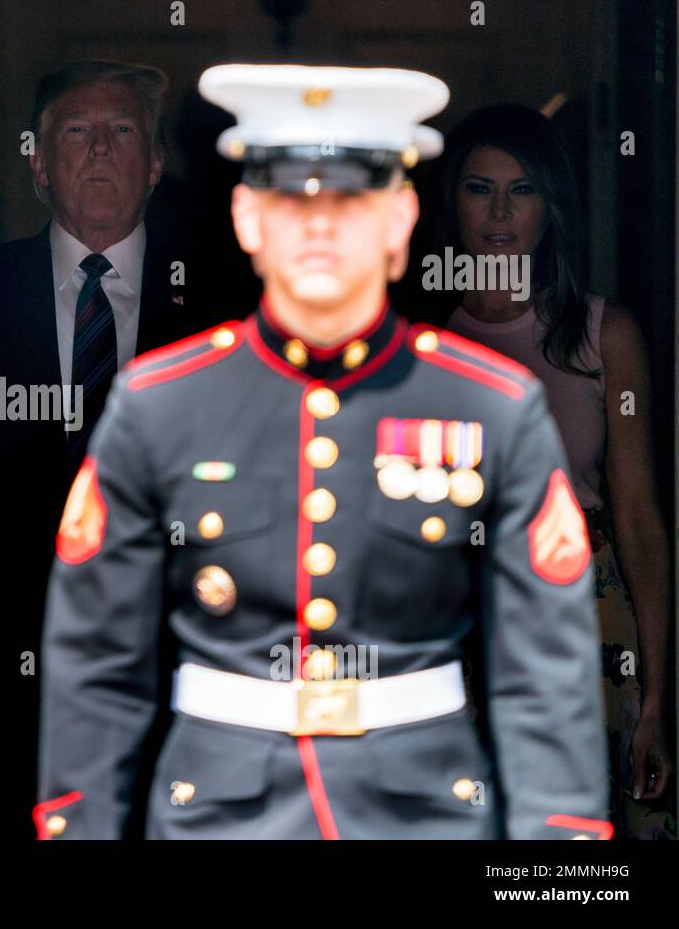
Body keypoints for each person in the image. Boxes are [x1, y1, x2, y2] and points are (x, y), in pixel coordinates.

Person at [36, 64, 612, 840]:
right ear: (247, 218)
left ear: (401, 221)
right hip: (215, 815)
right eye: (289, 198)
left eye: (352, 198)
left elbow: (545, 675)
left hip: (423, 813)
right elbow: (96, 664)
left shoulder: (489, 407)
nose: (319, 225)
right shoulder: (160, 405)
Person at [0, 60, 215, 838]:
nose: (100, 151)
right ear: (39, 165)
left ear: (153, 163)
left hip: (170, 689)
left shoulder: (219, 306)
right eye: (76, 133)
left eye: (122, 133)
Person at [435, 104, 674, 839]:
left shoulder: (607, 336)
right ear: (454, 203)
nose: (501, 212)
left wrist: (659, 698)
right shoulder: (422, 340)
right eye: (481, 189)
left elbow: (638, 521)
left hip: (593, 616)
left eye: (523, 189)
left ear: (552, 206)